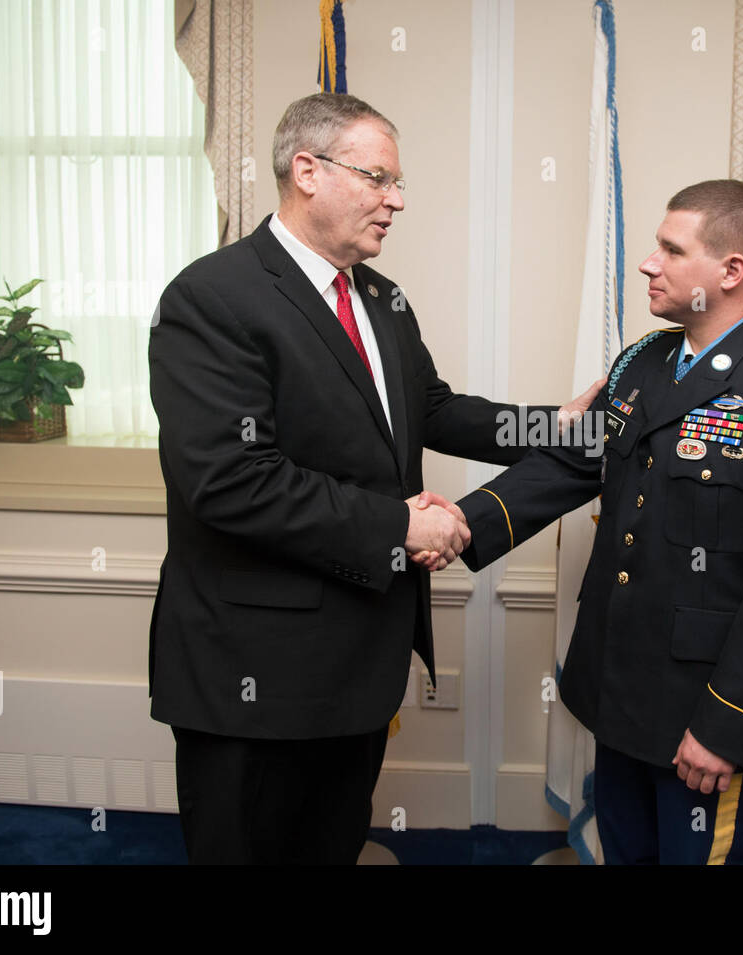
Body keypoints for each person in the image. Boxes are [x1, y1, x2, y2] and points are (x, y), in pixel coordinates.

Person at [147, 92, 600, 864]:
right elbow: (229, 480)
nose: (397, 200)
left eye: (398, 182)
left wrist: (551, 425)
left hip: (361, 655)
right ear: (307, 171)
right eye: (379, 177)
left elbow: (432, 409)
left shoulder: (379, 297)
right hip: (254, 670)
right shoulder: (212, 297)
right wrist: (400, 525)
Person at [449, 179, 743, 864]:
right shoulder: (642, 361)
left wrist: (731, 720)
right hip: (618, 687)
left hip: (703, 708)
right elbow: (572, 465)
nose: (648, 262)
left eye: (672, 249)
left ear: (731, 270)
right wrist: (462, 523)